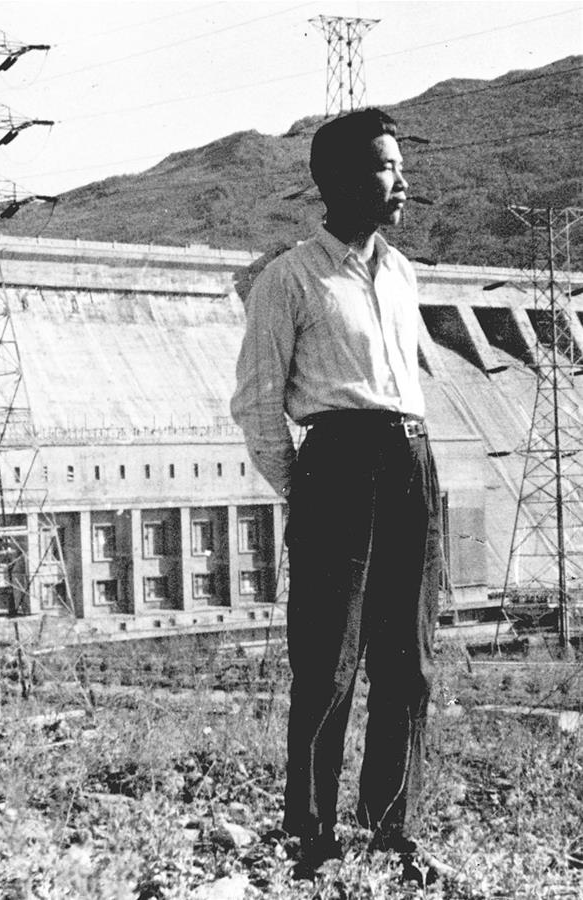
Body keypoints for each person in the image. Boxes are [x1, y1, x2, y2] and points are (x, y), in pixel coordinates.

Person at [231, 108, 442, 881]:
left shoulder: (403, 273)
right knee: (328, 665)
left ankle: (391, 833)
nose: (403, 182)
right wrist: (308, 494)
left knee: (408, 662)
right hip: (336, 467)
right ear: (341, 181)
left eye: (400, 166)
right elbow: (257, 406)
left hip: (412, 460)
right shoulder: (288, 279)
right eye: (387, 167)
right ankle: (311, 838)